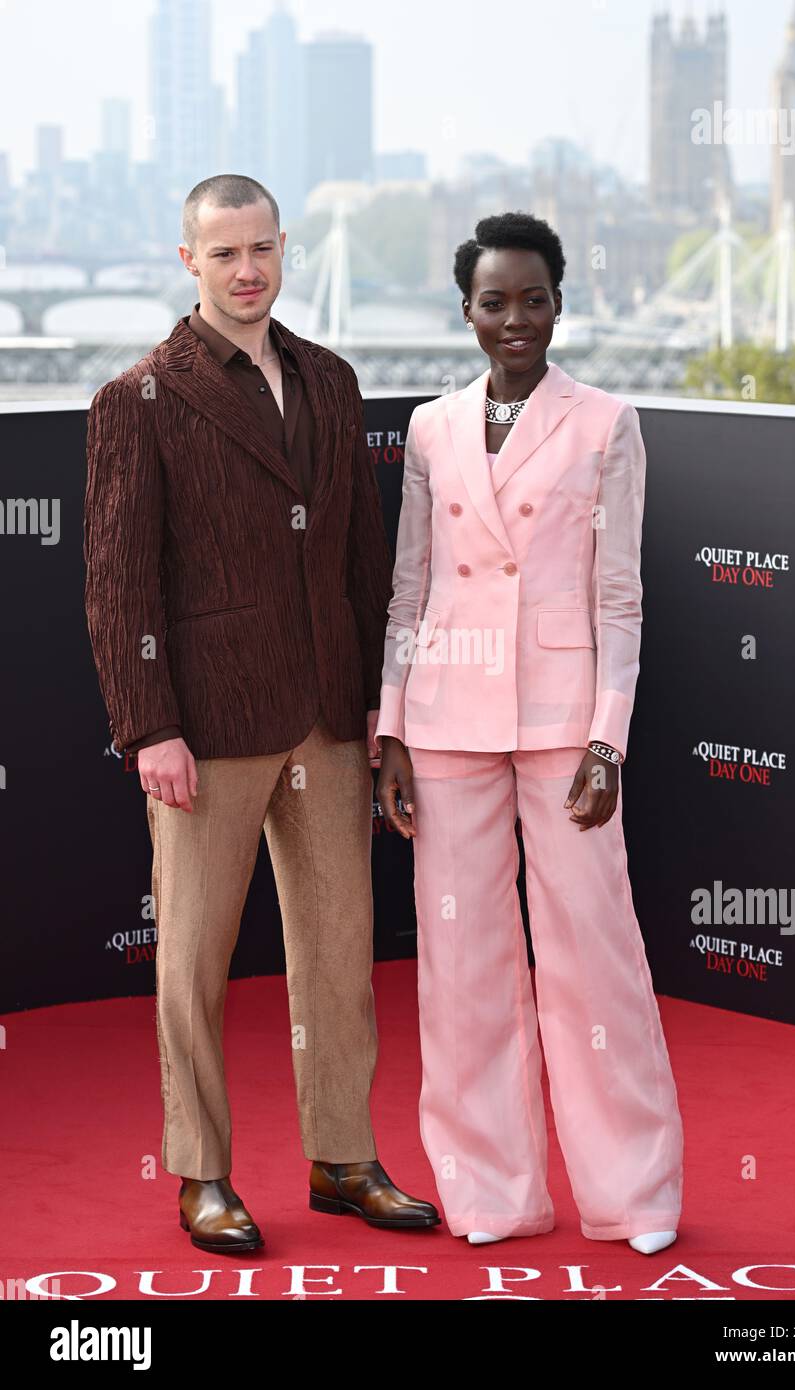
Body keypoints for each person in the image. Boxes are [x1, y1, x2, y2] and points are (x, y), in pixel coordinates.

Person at [83, 173, 439, 1253]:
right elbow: (119, 583)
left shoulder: (331, 379)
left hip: (327, 715)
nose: (248, 271)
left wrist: (379, 706)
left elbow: (363, 557)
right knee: (192, 957)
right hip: (207, 721)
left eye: (262, 249)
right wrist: (148, 726)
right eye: (225, 252)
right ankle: (201, 1173)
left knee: (339, 949)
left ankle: (342, 1157)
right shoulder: (140, 398)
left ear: (285, 248)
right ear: (187, 259)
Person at [375, 212, 683, 1253]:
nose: (516, 319)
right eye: (494, 302)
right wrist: (392, 728)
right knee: (460, 965)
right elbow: (411, 587)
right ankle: (491, 1192)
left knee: (596, 957)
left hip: (562, 720)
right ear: (466, 312)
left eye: (534, 299)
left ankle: (634, 1194)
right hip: (447, 717)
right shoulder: (430, 428)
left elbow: (619, 597)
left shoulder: (606, 424)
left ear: (559, 303)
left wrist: (608, 737)